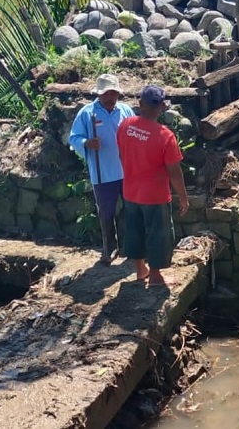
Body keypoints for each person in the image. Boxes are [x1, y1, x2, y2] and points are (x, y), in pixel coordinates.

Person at [117, 85, 189, 287]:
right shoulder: (165, 136)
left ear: (140, 104)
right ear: (162, 107)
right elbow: (175, 173)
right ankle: (156, 276)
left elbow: (121, 154)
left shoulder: (125, 125)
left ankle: (140, 269)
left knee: (135, 230)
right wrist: (183, 198)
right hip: (155, 196)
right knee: (158, 234)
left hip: (130, 191)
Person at [69, 74, 135, 264]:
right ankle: (110, 248)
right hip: (102, 173)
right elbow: (74, 138)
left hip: (127, 171)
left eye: (113, 93)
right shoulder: (87, 113)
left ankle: (133, 247)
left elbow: (136, 132)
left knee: (133, 210)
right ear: (98, 94)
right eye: (106, 93)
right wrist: (87, 143)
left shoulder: (125, 110)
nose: (109, 97)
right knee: (106, 212)